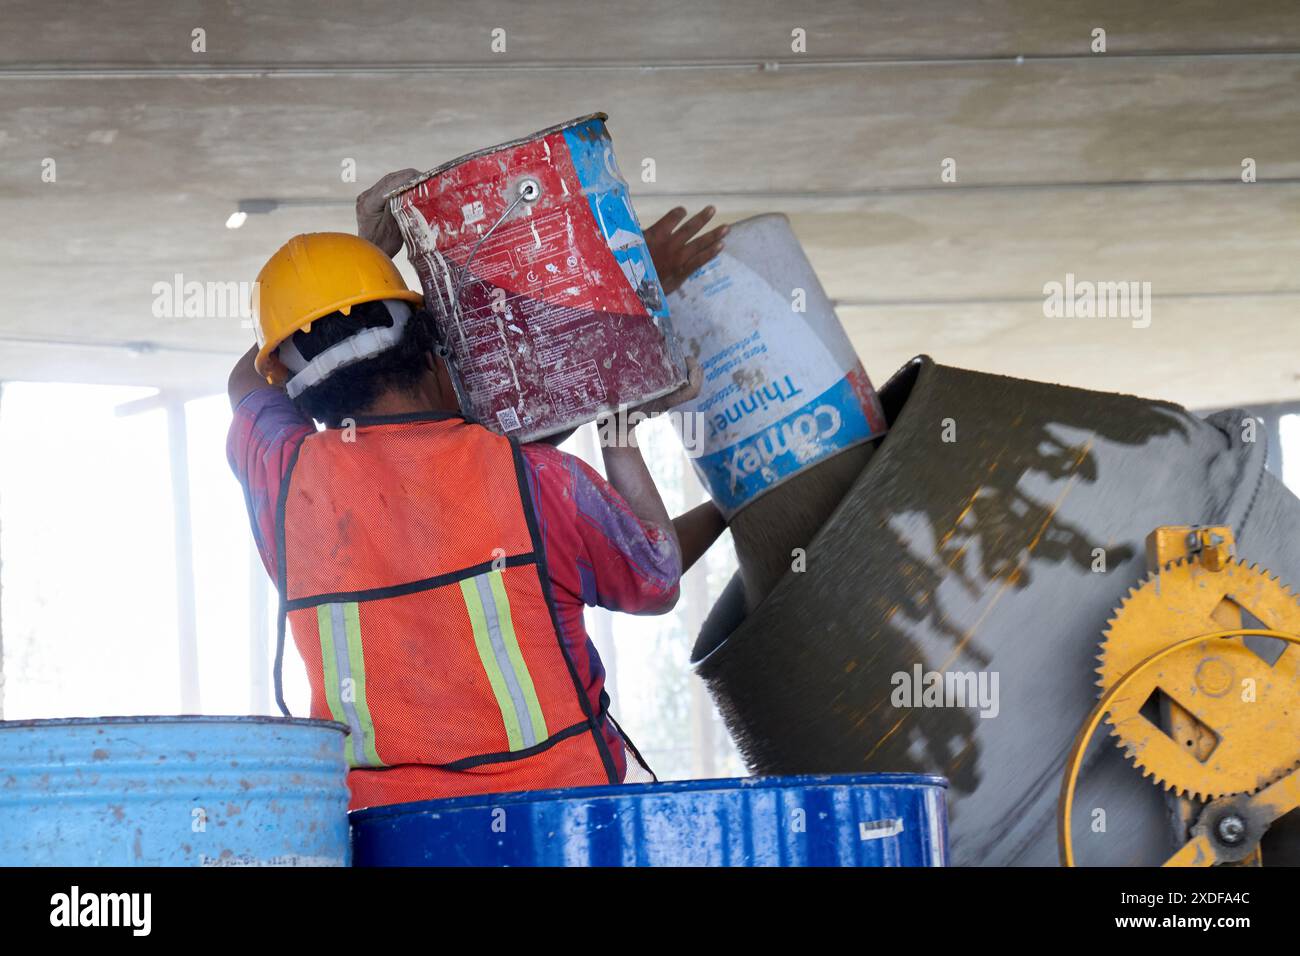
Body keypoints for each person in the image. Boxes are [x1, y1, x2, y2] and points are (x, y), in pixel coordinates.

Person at [226, 173, 728, 809]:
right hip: (556, 828)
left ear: (304, 396)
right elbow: (656, 576)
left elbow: (246, 380)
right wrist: (619, 422)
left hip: (381, 837)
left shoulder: (281, 480)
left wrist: (357, 269)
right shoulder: (532, 479)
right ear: (437, 352)